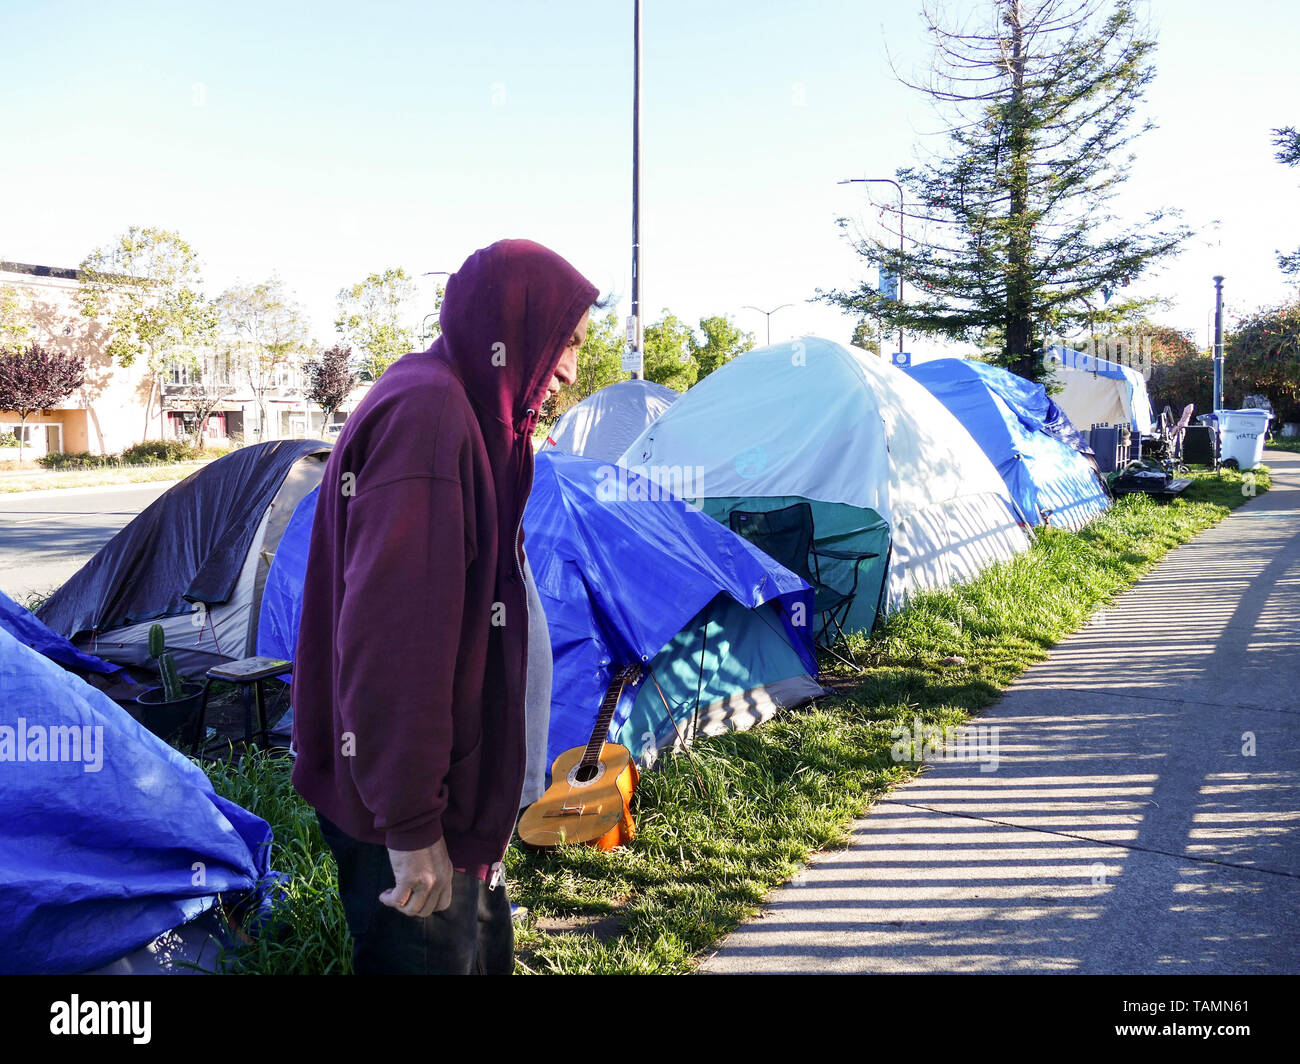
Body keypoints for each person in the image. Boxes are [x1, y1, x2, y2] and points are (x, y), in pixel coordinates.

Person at [291, 239, 597, 974]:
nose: (569, 370)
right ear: (510, 329)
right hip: (413, 817)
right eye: (564, 343)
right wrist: (411, 827)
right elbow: (394, 645)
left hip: (449, 807)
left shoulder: (469, 410)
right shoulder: (430, 417)